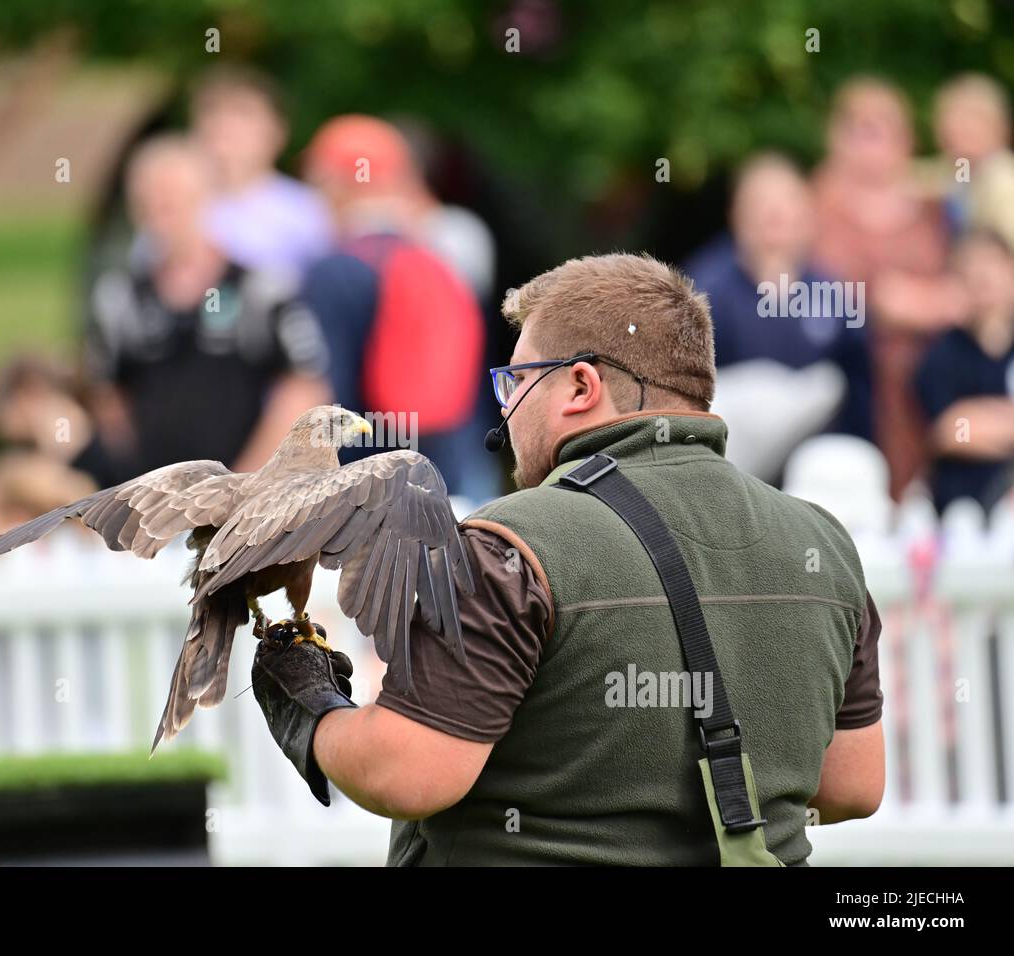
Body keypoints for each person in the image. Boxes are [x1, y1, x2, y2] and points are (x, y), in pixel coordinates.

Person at [252, 254, 884, 865]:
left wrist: (312, 707)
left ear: (581, 385)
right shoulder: (821, 543)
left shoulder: (509, 543)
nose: (505, 406)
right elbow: (853, 785)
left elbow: (407, 772)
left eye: (517, 381)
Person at [76, 134, 331, 486]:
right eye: (149, 202)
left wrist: (248, 481)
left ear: (209, 198)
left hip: (243, 501)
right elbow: (108, 393)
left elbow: (304, 388)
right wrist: (136, 481)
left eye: (174, 201)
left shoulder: (261, 289)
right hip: (154, 503)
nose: (161, 213)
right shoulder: (119, 298)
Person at [300, 115, 485, 497]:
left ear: (334, 182)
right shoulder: (442, 256)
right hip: (442, 469)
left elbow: (323, 387)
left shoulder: (334, 269)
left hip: (363, 482)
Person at [811, 77, 966, 500]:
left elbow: (967, 282)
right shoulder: (820, 202)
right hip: (857, 369)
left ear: (905, 138)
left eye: (882, 127)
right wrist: (890, 301)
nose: (870, 141)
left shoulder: (933, 203)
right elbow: (829, 289)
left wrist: (926, 302)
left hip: (934, 367)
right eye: (858, 127)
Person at [685, 153, 873, 481]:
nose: (774, 214)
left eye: (786, 203)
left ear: (807, 216)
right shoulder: (701, 291)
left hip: (814, 470)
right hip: (727, 464)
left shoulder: (834, 294)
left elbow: (859, 390)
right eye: (760, 203)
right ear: (737, 214)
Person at [190, 66, 332, 281]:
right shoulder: (172, 207)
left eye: (242, 112)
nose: (224, 125)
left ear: (278, 132)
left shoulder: (308, 211)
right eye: (212, 111)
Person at [915, 230, 1014, 514]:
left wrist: (982, 418)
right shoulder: (942, 355)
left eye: (993, 266)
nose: (984, 280)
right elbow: (951, 431)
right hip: (960, 507)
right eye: (971, 270)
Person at [927, 73, 1014, 248]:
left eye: (973, 118)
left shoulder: (1003, 178)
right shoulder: (962, 169)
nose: (961, 128)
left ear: (999, 128)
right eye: (954, 118)